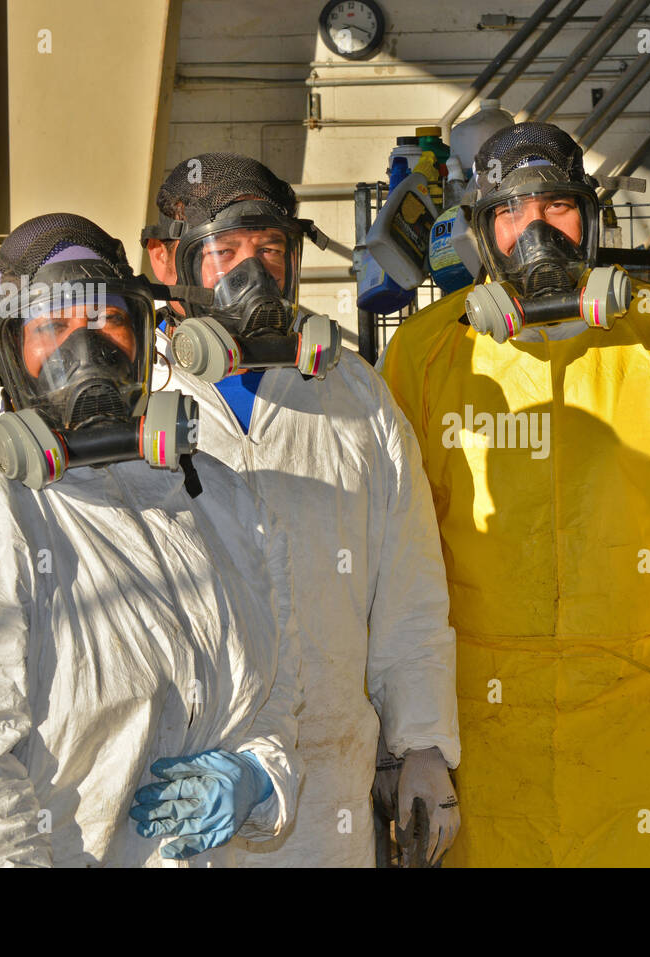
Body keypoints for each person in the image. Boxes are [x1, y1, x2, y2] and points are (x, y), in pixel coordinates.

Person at [379, 122, 650, 867]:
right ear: (482, 234)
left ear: (590, 220)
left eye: (555, 208)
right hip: (477, 720)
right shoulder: (428, 353)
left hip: (641, 714)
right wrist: (405, 733)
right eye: (510, 214)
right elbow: (394, 553)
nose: (536, 233)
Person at [0, 213, 303, 867]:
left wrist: (256, 774)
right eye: (53, 325)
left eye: (107, 320)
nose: (88, 352)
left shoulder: (214, 493)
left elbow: (277, 684)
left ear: (139, 334)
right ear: (11, 350)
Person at [143, 154, 460, 867]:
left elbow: (408, 593)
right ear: (170, 261)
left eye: (271, 252)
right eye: (225, 253)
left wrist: (424, 747)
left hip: (329, 797)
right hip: (170, 799)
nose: (251, 277)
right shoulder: (133, 404)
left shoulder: (354, 397)